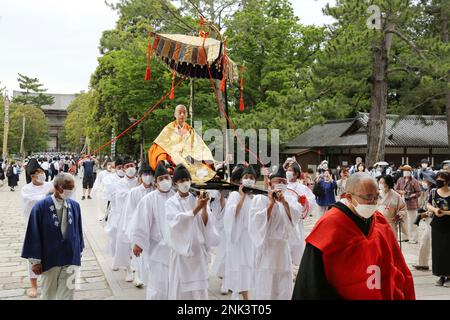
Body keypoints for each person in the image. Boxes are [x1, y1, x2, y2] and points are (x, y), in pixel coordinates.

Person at [293, 173, 415, 300]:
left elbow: (398, 268)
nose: (373, 202)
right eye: (368, 197)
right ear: (349, 197)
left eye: (376, 197)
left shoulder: (380, 222)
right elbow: (311, 282)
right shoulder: (329, 225)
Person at [21, 173, 84, 300]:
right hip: (50, 258)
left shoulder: (75, 206)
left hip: (70, 257)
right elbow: (33, 233)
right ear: (56, 187)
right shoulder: (41, 206)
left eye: (72, 188)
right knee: (48, 294)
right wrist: (35, 261)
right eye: (67, 188)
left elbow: (78, 231)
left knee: (67, 294)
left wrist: (79, 251)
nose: (70, 191)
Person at [165, 164, 220, 299]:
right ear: (175, 183)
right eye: (181, 180)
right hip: (182, 254)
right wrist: (197, 208)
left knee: (200, 292)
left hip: (198, 252)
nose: (185, 183)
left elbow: (207, 223)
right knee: (180, 291)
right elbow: (177, 222)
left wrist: (204, 207)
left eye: (186, 180)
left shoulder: (197, 198)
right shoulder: (171, 202)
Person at [248, 165, 301, 300]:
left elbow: (295, 218)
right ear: (270, 182)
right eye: (278, 181)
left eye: (284, 182)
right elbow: (256, 222)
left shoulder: (290, 199)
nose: (281, 184)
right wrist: (271, 204)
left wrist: (284, 203)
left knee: (283, 287)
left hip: (283, 249)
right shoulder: (260, 199)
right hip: (267, 248)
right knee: (266, 285)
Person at [131, 162, 175, 299]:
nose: (165, 181)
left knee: (174, 283)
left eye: (167, 178)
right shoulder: (148, 199)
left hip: (175, 249)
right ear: (155, 183)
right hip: (157, 248)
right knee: (157, 284)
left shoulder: (176, 197)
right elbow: (141, 222)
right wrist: (138, 243)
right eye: (161, 179)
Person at [148, 104, 216, 183]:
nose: (182, 115)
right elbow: (161, 146)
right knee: (166, 162)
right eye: (180, 112)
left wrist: (206, 157)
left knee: (204, 168)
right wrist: (162, 160)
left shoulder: (190, 130)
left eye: (184, 112)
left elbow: (200, 146)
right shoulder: (169, 129)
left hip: (189, 159)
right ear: (175, 114)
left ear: (187, 114)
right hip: (173, 159)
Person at [114, 162, 155, 288]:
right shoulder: (134, 192)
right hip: (138, 226)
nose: (148, 177)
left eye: (150, 174)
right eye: (145, 174)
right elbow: (129, 212)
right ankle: (137, 275)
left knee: (151, 254)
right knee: (138, 253)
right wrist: (131, 229)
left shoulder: (155, 191)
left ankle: (149, 275)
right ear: (140, 175)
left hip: (153, 228)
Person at [20, 158, 54, 298]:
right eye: (38, 172)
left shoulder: (49, 184)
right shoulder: (26, 189)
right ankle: (34, 286)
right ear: (31, 175)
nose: (41, 174)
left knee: (50, 255)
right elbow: (33, 202)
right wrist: (47, 194)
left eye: (41, 171)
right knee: (34, 257)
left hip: (51, 226)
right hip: (34, 226)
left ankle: (49, 283)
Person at [223, 165, 258, 300]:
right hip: (238, 239)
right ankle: (244, 298)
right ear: (241, 180)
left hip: (251, 239)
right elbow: (232, 214)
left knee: (249, 270)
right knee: (241, 270)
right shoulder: (235, 195)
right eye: (246, 177)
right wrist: (242, 197)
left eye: (251, 178)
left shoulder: (255, 198)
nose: (248, 180)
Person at [106, 156, 139, 279]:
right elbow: (124, 198)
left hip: (139, 216)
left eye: (132, 165)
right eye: (127, 166)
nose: (130, 168)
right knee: (125, 243)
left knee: (137, 243)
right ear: (124, 170)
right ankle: (128, 269)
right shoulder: (120, 184)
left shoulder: (140, 181)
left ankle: (138, 270)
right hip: (124, 217)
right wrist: (138, 189)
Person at [286, 162, 315, 267]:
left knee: (297, 244)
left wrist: (304, 202)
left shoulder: (302, 188)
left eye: (290, 170)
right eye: (287, 170)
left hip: (296, 222)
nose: (288, 172)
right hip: (285, 220)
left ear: (296, 173)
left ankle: (296, 266)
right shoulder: (283, 185)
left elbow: (311, 201)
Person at [427, 171, 450, 287]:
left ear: (447, 181)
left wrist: (444, 212)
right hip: (437, 225)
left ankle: (449, 276)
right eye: (437, 178)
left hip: (448, 225)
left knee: (448, 249)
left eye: (441, 179)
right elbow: (428, 204)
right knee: (438, 250)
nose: (438, 181)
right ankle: (440, 275)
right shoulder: (433, 192)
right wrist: (435, 210)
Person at [413, 171, 436, 271]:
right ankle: (423, 263)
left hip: (433, 220)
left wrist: (425, 214)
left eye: (425, 179)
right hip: (427, 220)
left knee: (433, 243)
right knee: (424, 241)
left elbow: (434, 207)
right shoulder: (428, 191)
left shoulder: (434, 191)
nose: (424, 181)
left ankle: (438, 265)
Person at [395, 165, 421, 244]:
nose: (405, 172)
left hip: (412, 203)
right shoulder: (400, 180)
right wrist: (400, 192)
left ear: (410, 172)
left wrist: (412, 195)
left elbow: (418, 192)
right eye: (404, 170)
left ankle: (413, 238)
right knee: (403, 220)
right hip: (402, 202)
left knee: (412, 221)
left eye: (407, 170)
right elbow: (396, 189)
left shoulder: (414, 181)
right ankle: (404, 236)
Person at [377, 175, 407, 239]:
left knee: (390, 242)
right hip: (377, 223)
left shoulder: (396, 196)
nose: (380, 184)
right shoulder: (377, 194)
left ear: (388, 184)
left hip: (390, 223)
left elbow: (403, 208)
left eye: (383, 183)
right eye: (380, 182)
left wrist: (399, 215)